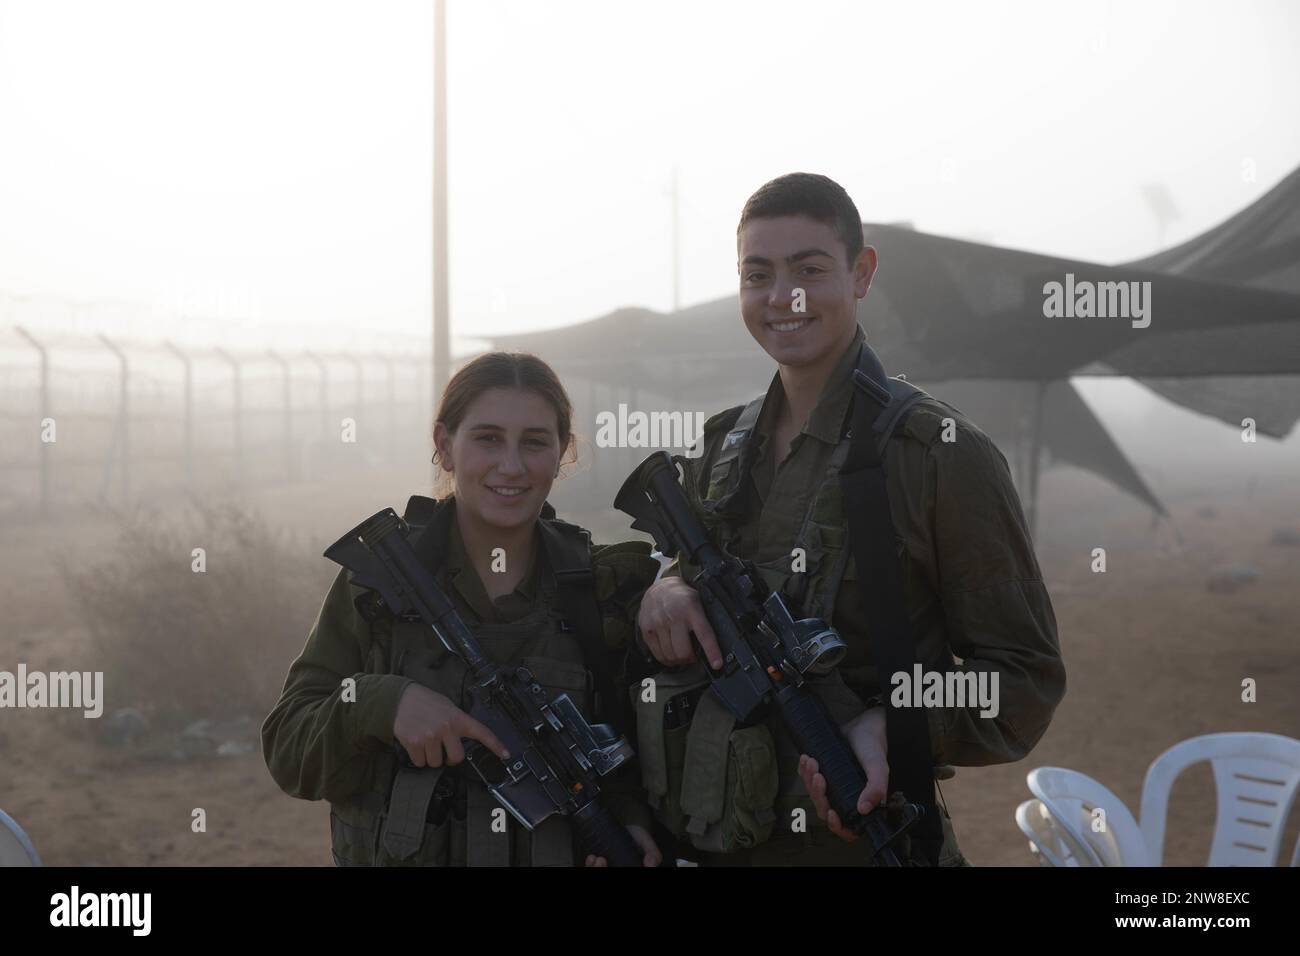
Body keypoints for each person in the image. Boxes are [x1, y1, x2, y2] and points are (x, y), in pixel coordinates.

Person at [631, 172, 1067, 866]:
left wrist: (894, 727)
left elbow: (1024, 678)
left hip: (866, 843)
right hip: (713, 839)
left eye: (809, 270)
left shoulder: (935, 455)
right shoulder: (720, 448)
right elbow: (692, 586)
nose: (782, 298)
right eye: (758, 274)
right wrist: (666, 587)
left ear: (861, 274)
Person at [262, 352, 663, 867]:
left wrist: (627, 821)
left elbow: (630, 753)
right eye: (487, 438)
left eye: (535, 442)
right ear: (444, 446)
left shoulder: (602, 589)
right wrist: (383, 704)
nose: (511, 466)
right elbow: (288, 750)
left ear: (562, 453)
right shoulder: (383, 583)